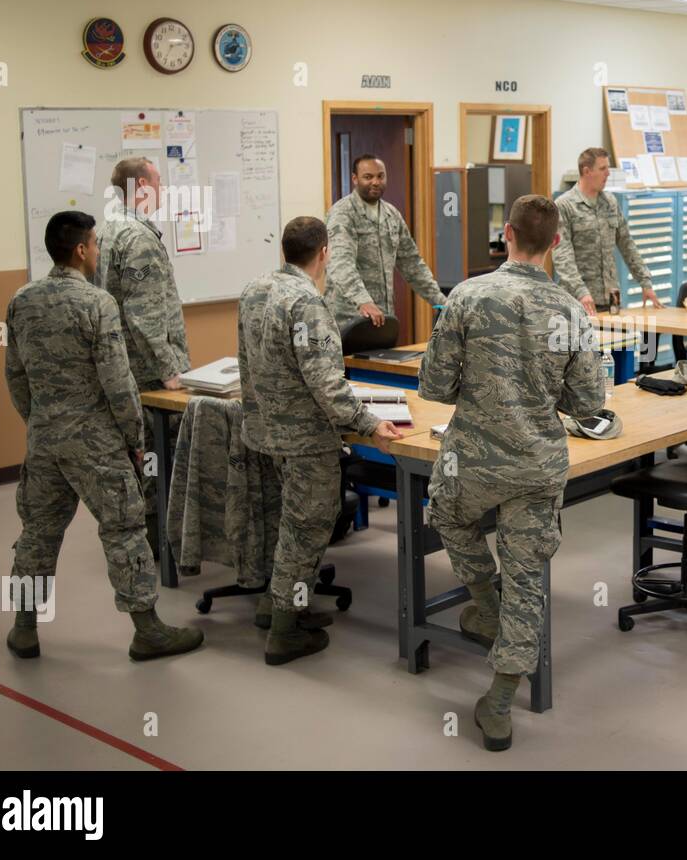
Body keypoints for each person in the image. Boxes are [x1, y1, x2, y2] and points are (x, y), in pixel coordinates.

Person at [420, 194, 604, 751]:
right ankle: (498, 703)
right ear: (554, 244)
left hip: (471, 459)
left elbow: (433, 386)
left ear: (506, 234)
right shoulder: (570, 309)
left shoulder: (468, 296)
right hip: (536, 465)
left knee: (445, 514)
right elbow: (589, 402)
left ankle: (485, 602)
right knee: (529, 577)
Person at [4, 211, 203, 661]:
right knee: (125, 529)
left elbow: (15, 376)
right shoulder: (97, 304)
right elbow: (118, 381)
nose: (98, 251)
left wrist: (38, 422)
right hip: (94, 442)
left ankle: (23, 626)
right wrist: (134, 437)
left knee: (37, 531)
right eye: (94, 244)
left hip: (44, 439)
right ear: (80, 250)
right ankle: (147, 630)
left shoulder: (22, 301)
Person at [237, 216, 401, 664]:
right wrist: (368, 423)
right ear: (324, 253)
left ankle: (278, 606)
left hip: (267, 430)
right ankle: (285, 632)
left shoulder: (256, 290)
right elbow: (326, 381)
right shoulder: (308, 303)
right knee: (305, 528)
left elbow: (247, 364)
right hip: (305, 438)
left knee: (288, 523)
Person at [96, 156, 191, 551]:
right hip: (146, 372)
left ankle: (143, 535)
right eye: (158, 182)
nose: (164, 189)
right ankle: (156, 542)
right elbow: (145, 315)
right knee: (154, 454)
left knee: (136, 454)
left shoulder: (108, 230)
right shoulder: (137, 238)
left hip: (122, 367)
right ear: (140, 188)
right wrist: (169, 370)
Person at [326, 154, 446, 330]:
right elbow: (340, 264)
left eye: (380, 176)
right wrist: (363, 301)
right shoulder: (342, 214)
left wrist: (440, 301)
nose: (375, 182)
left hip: (383, 317)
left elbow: (412, 263)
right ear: (355, 179)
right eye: (368, 177)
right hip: (347, 319)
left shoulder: (391, 214)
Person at [553, 147, 662, 315]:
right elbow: (562, 255)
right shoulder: (564, 205)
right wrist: (581, 291)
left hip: (610, 299)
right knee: (583, 342)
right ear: (586, 171)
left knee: (616, 342)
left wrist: (645, 283)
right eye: (603, 169)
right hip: (578, 301)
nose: (608, 174)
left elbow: (627, 244)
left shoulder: (610, 202)